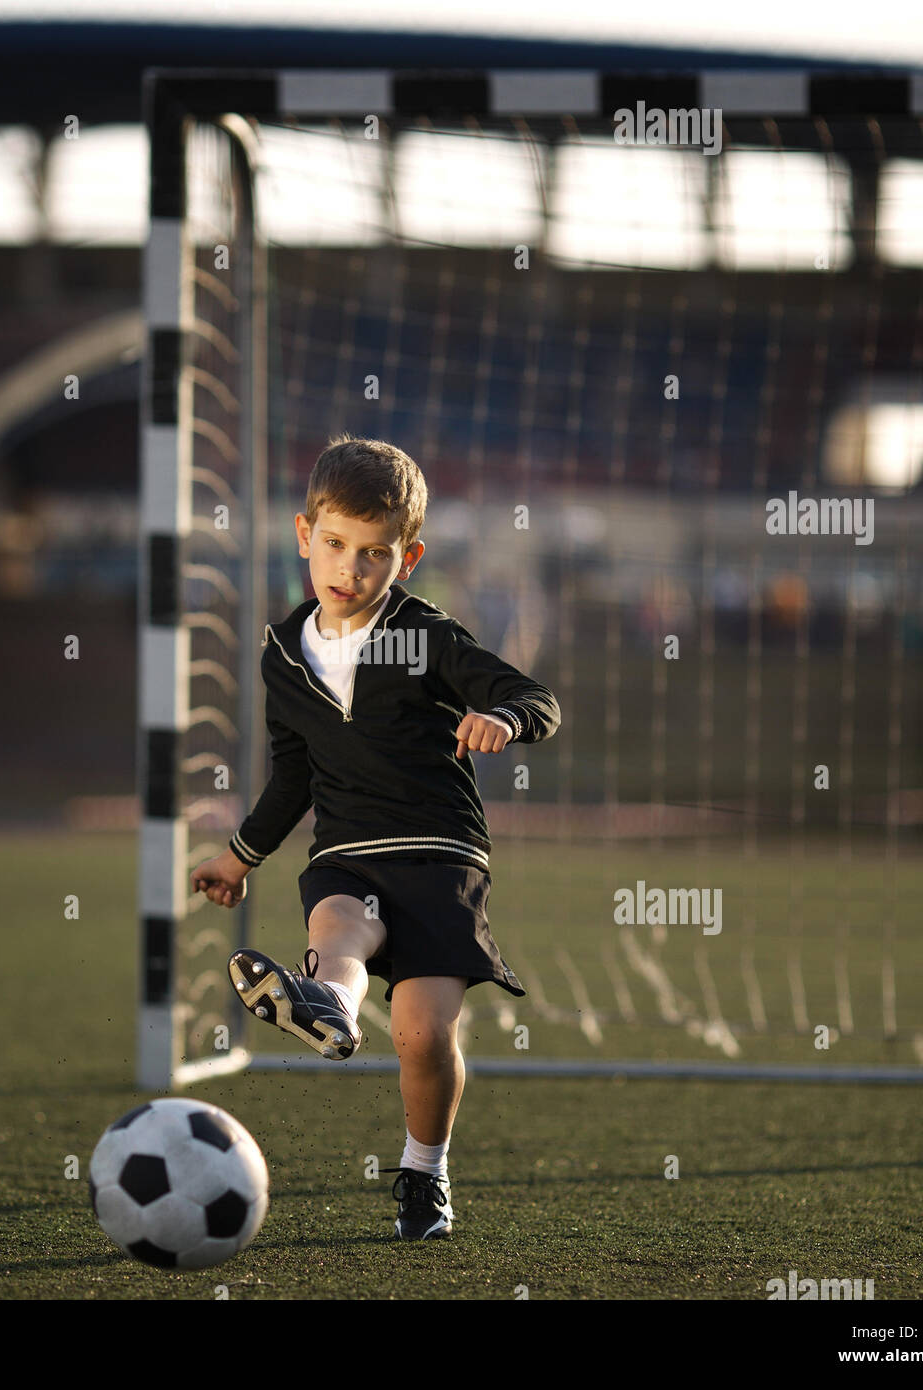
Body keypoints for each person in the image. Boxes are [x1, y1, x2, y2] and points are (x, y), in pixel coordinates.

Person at [189, 434, 561, 1239]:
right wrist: (238, 857)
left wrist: (501, 716)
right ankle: (326, 1002)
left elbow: (535, 697)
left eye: (373, 555)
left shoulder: (427, 637)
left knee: (423, 1035)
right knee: (340, 927)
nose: (349, 570)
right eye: (333, 545)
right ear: (303, 534)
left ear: (409, 557)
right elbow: (292, 779)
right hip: (347, 848)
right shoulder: (282, 655)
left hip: (440, 851)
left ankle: (425, 1171)